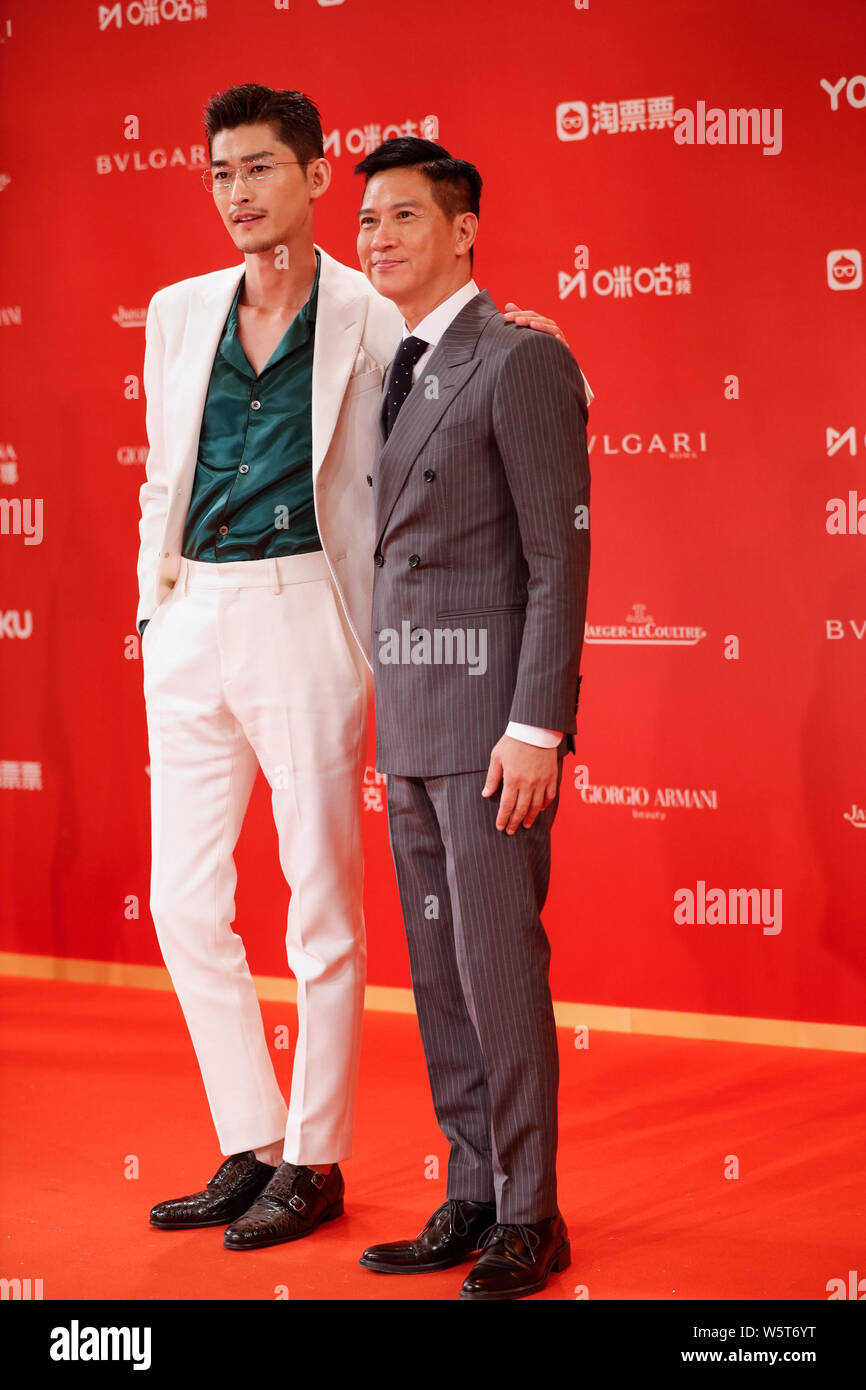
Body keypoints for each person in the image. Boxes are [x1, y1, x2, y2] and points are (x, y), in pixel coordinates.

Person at [137, 84, 571, 1253]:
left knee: (320, 905)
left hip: (305, 617)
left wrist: (523, 335)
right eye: (221, 172)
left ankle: (313, 1156)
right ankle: (249, 1136)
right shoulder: (177, 312)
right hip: (190, 619)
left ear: (315, 177)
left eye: (262, 169)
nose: (239, 193)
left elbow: (454, 352)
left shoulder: (369, 311)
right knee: (183, 901)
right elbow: (158, 474)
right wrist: (151, 608)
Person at [353, 137, 591, 1299]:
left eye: (403, 217)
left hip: (490, 729)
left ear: (464, 230)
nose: (378, 238)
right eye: (366, 224)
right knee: (440, 973)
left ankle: (532, 1213)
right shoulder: (388, 365)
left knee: (497, 968)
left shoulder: (518, 361)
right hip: (406, 723)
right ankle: (471, 1189)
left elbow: (557, 557)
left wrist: (536, 727)